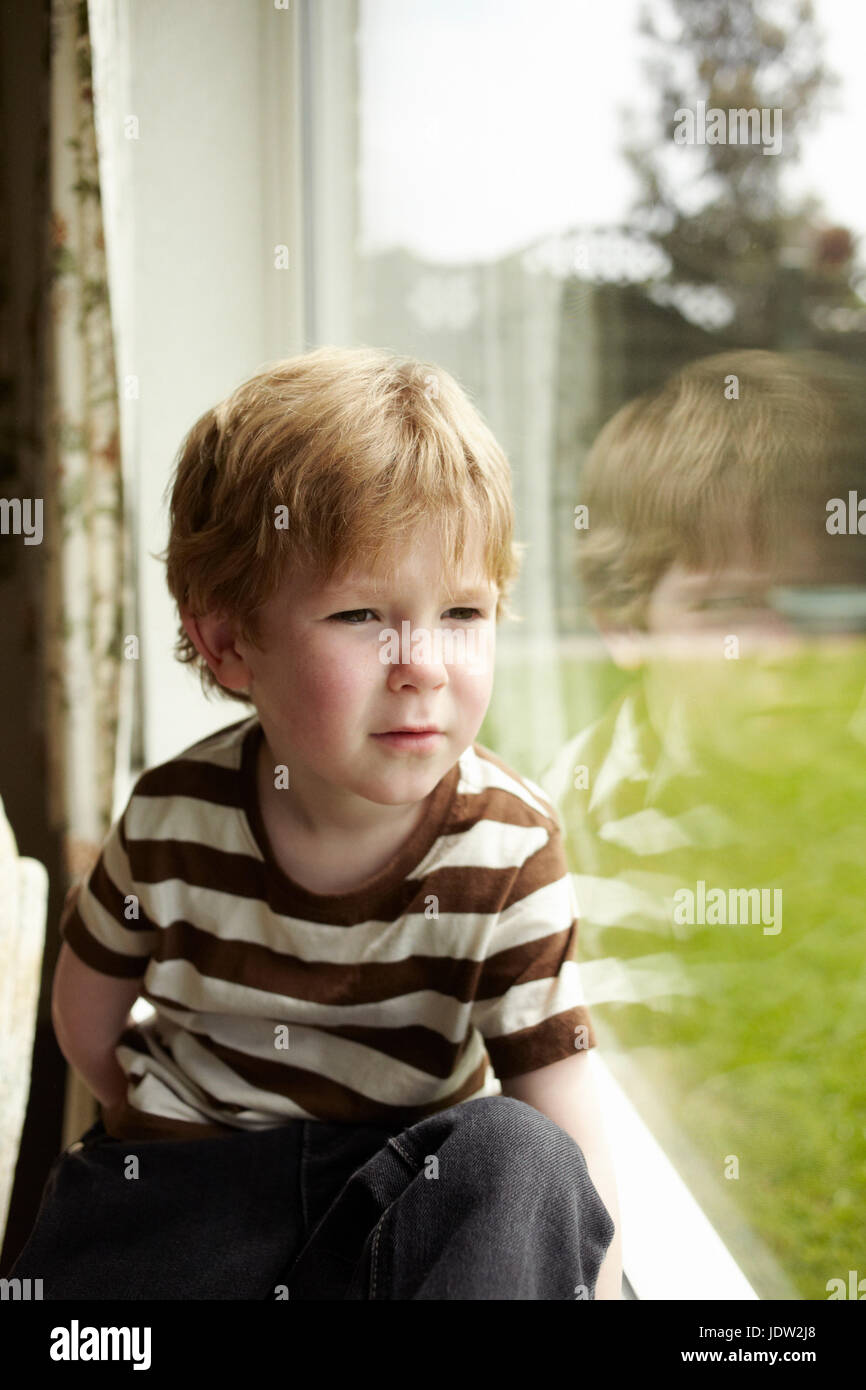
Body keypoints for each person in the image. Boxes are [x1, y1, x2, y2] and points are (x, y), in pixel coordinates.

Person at [11, 345, 619, 1300]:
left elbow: (564, 1112)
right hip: (193, 1195)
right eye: (363, 613)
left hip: (398, 1204)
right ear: (228, 641)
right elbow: (85, 1007)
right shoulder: (174, 814)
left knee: (519, 1155)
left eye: (463, 610)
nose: (422, 661)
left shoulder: (508, 845)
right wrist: (156, 1131)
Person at [539, 349, 866, 1298]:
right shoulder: (570, 844)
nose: (784, 654)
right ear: (623, 621)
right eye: (729, 607)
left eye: (821, 602)